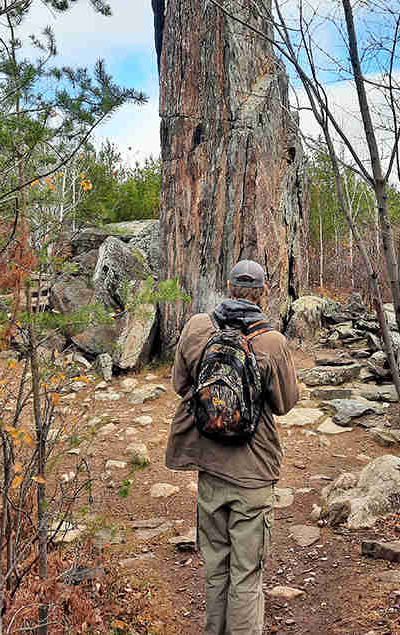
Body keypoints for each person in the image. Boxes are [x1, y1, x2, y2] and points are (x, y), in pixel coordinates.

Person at [165, 259, 299, 635]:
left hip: (209, 467)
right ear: (263, 292)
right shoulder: (272, 343)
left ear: (228, 287)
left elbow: (180, 384)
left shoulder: (196, 328)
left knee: (215, 569)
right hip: (253, 475)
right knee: (247, 575)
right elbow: (285, 404)